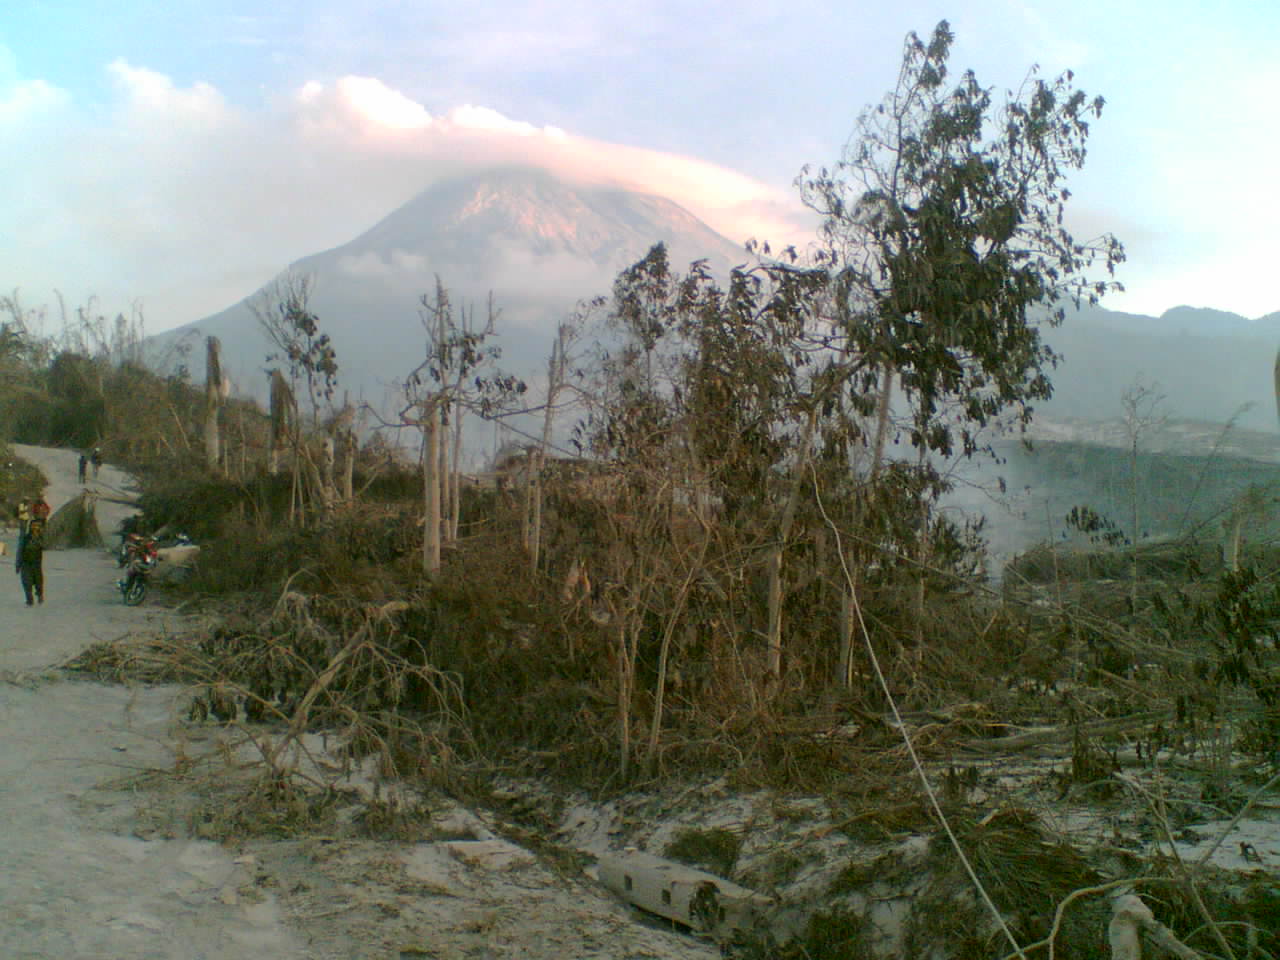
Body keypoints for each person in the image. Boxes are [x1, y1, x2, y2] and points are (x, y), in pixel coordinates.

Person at [16, 515, 45, 606]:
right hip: (26, 563)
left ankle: (40, 595)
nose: (35, 528)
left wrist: (38, 539)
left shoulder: (40, 538)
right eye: (34, 526)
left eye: (37, 526)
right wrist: (18, 563)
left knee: (38, 581)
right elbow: (20, 550)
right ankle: (29, 600)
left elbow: (44, 545)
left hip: (36, 563)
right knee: (26, 582)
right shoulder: (25, 538)